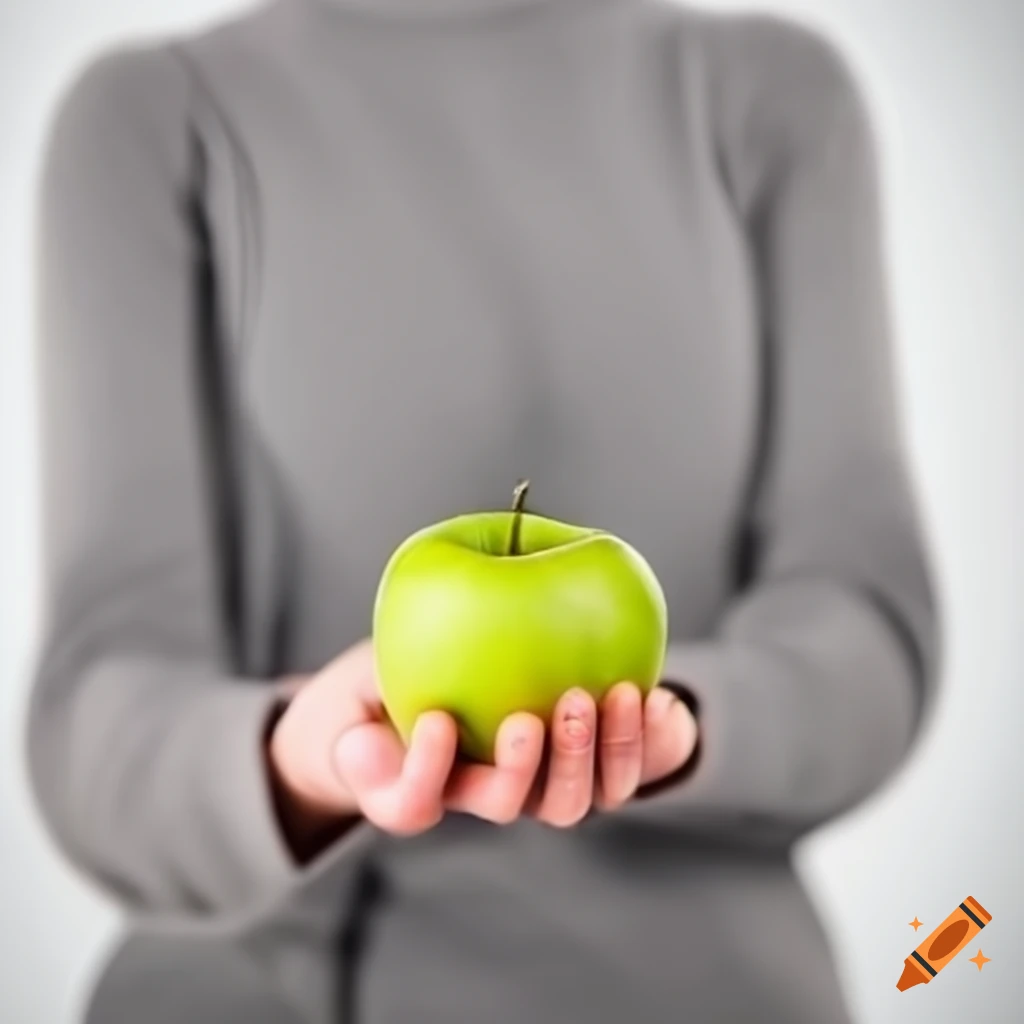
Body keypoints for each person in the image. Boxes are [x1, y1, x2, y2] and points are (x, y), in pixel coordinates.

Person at [27, 0, 938, 1021]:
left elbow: (868, 638)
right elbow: (96, 722)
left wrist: (665, 723)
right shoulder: (157, 119)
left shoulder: (769, 95)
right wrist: (300, 756)